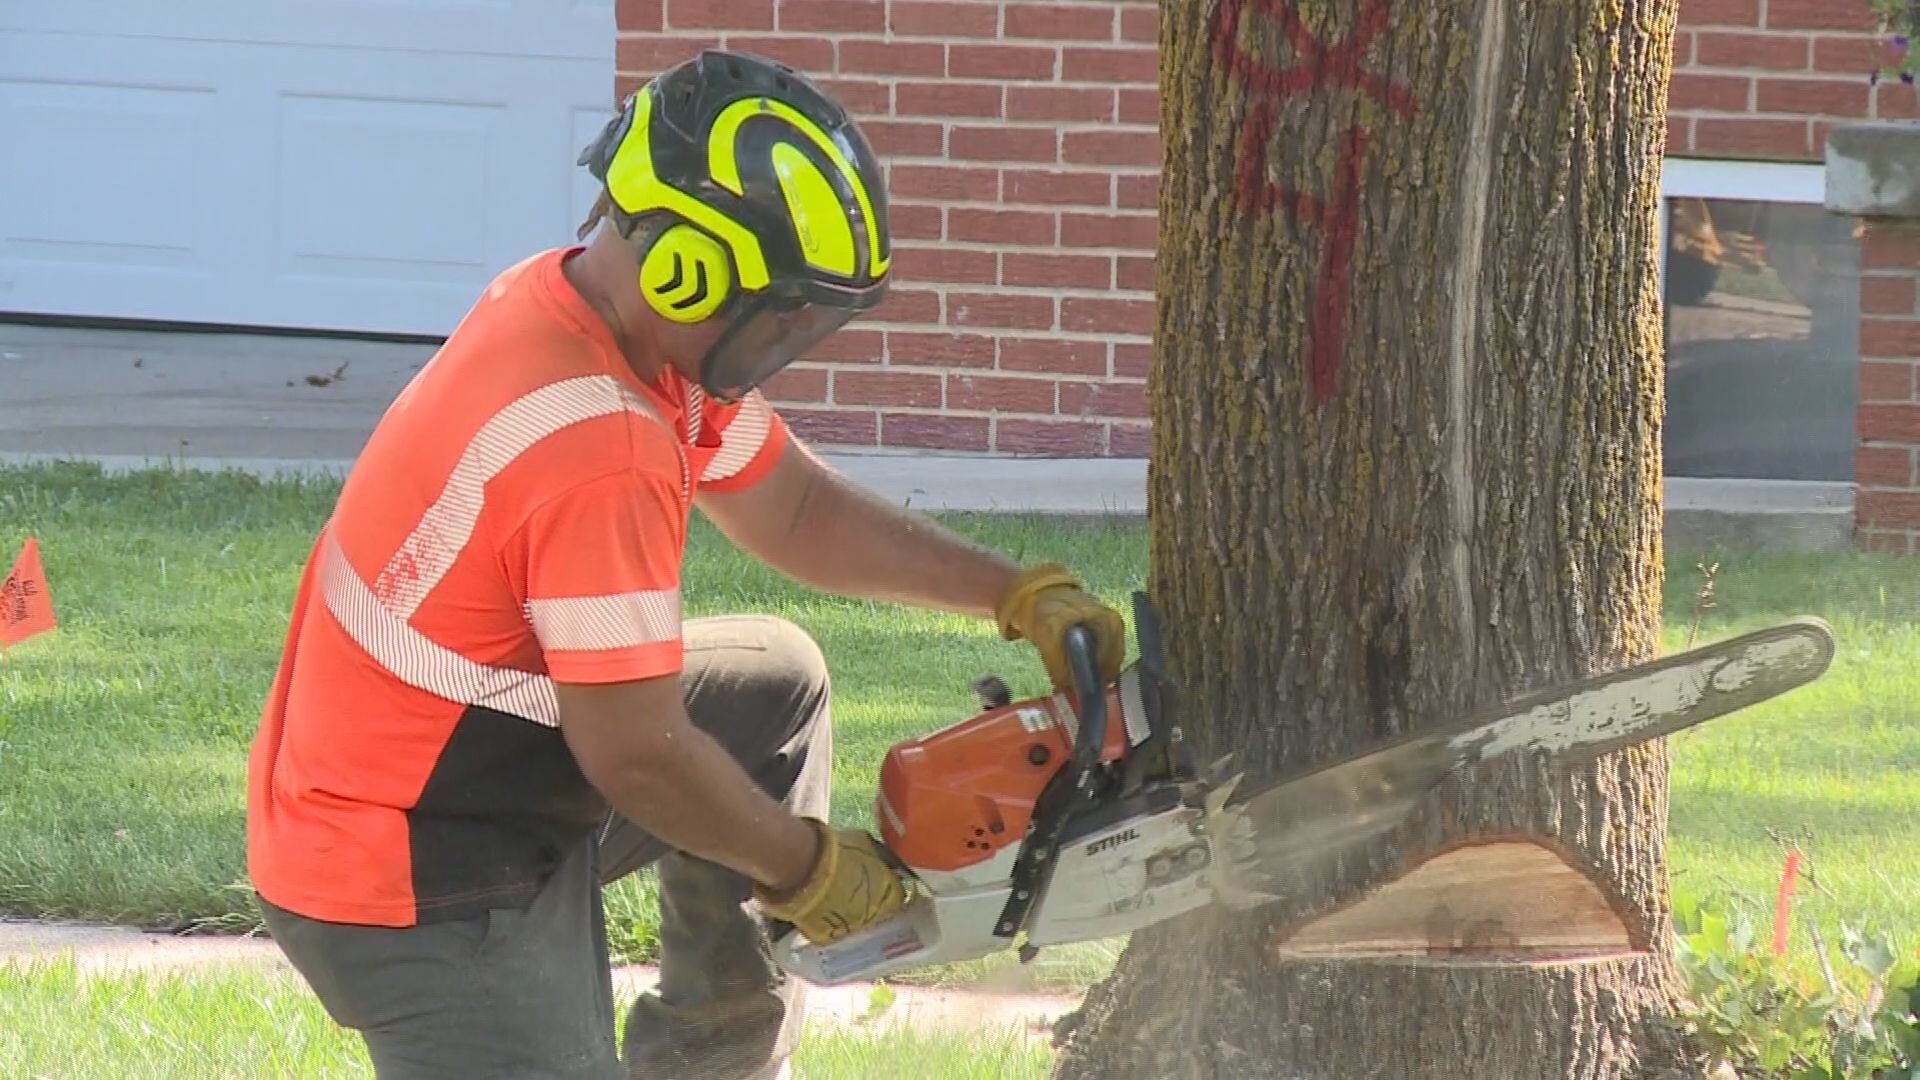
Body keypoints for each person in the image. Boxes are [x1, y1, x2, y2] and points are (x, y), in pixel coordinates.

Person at [244, 48, 1127, 1080]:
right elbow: (638, 753)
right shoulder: (597, 442)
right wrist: (804, 868)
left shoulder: (602, 319)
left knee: (771, 686)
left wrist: (1012, 594)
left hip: (482, 763)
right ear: (687, 267)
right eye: (788, 309)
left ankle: (716, 1060)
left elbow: (795, 508)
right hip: (416, 873)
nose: (798, 334)